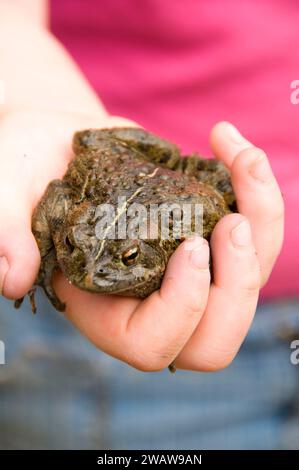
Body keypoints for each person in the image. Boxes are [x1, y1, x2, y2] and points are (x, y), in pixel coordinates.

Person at [0, 0, 297, 449]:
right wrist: (30, 102)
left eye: (125, 259)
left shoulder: (174, 233)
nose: (90, 271)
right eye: (78, 248)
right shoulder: (76, 219)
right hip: (88, 364)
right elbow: (61, 192)